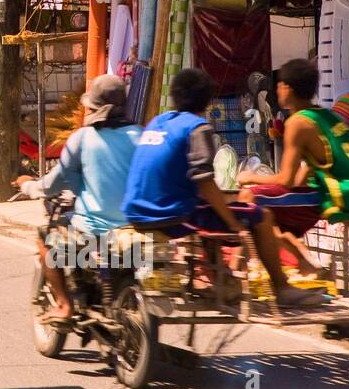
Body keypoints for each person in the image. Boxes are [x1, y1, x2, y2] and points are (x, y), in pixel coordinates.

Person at [122, 68, 319, 307]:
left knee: (211, 210)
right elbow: (204, 181)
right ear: (207, 100)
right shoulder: (197, 127)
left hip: (136, 212)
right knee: (262, 216)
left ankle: (221, 280)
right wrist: (233, 222)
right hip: (171, 214)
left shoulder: (157, 122)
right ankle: (282, 288)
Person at [14, 75, 141, 323]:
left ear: (95, 109)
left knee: (45, 240)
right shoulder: (140, 135)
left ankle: (64, 305)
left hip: (92, 232)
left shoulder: (82, 139)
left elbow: (52, 184)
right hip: (133, 231)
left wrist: (27, 186)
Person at [237, 58, 349, 279]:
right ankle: (300, 258)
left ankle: (303, 260)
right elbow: (309, 169)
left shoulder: (297, 123)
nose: (277, 90)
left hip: (341, 193)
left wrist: (250, 176)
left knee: (248, 198)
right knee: (269, 214)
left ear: (287, 88)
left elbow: (285, 179)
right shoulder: (324, 115)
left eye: (279, 85)